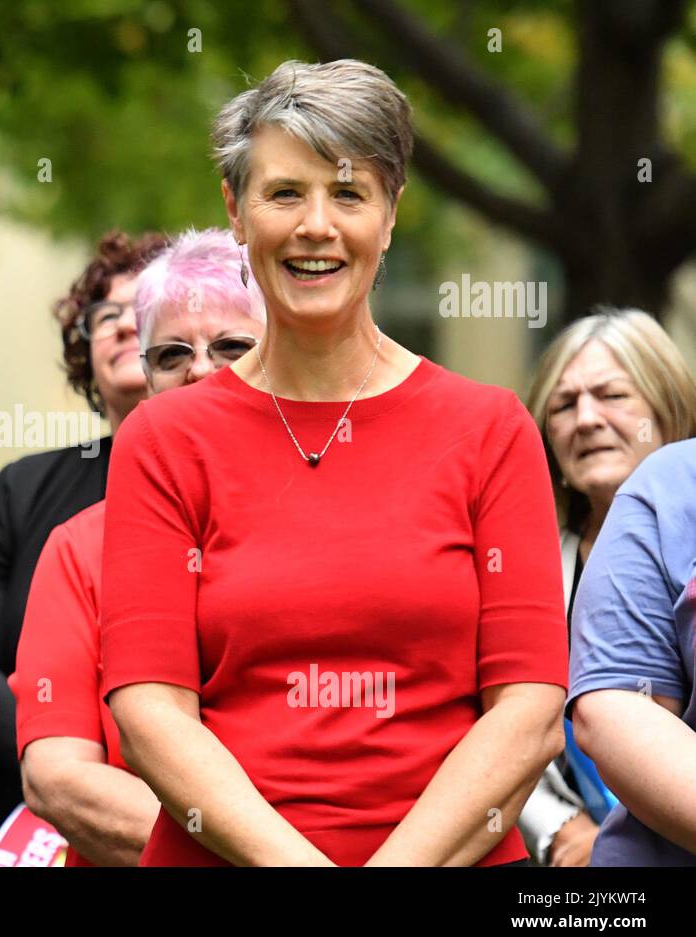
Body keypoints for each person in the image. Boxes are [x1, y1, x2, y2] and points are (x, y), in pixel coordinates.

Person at [99, 59, 568, 867]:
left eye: (348, 194)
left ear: (389, 217)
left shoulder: (490, 429)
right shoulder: (165, 440)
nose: (316, 225)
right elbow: (151, 717)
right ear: (235, 212)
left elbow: (528, 711)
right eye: (285, 193)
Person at [12, 228, 264, 866]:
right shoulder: (78, 546)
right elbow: (57, 775)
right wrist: (262, 856)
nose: (202, 369)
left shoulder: (345, 515)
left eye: (233, 346)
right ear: (145, 376)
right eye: (172, 353)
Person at [0, 229, 168, 855]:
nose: (126, 328)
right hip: (23, 802)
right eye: (107, 315)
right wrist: (59, 748)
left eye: (147, 313)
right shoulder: (23, 491)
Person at [521, 307, 696, 866]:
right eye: (564, 405)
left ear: (668, 408)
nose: (587, 419)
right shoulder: (518, 576)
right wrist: (561, 830)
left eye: (612, 395)